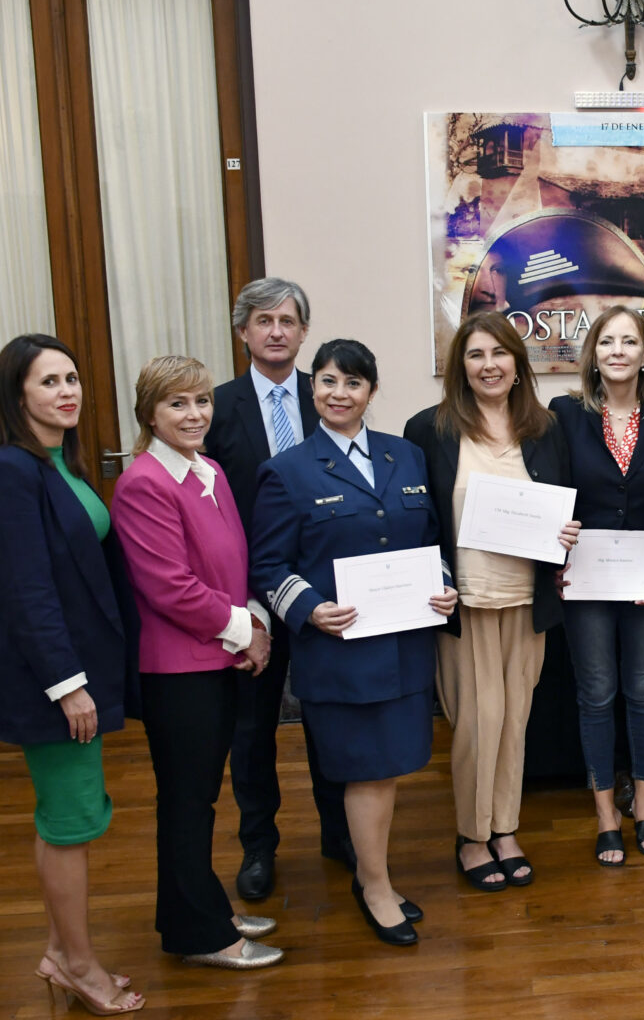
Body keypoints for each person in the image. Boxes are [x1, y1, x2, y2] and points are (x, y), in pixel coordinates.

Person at [250, 340, 455, 945]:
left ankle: (373, 874)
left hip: (403, 647)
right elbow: (267, 565)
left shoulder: (407, 456)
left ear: (371, 391)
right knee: (365, 773)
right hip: (341, 651)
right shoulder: (286, 471)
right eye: (329, 383)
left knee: (388, 771)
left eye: (354, 384)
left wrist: (443, 586)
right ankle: (375, 886)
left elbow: (430, 542)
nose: (340, 394)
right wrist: (310, 610)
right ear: (312, 391)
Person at [0, 335, 145, 1015]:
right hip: (56, 686)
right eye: (48, 382)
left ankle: (56, 952)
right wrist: (67, 685)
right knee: (71, 821)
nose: (67, 391)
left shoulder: (57, 466)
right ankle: (79, 964)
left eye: (72, 378)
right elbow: (26, 592)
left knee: (69, 818)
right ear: (18, 395)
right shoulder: (9, 474)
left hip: (78, 677)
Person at [110, 356, 282, 969]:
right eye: (177, 403)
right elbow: (169, 587)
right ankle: (201, 935)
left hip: (218, 658)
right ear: (149, 414)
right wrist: (247, 632)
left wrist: (254, 620)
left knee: (201, 798)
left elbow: (234, 564)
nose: (194, 413)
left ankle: (199, 909)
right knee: (187, 801)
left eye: (202, 400)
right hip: (179, 671)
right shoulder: (143, 483)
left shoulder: (208, 470)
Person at [404, 312, 580, 891]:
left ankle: (505, 827)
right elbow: (418, 520)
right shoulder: (429, 429)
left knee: (515, 721)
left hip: (527, 601)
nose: (489, 365)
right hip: (466, 601)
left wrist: (565, 534)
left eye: (499, 354)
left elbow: (562, 507)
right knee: (476, 724)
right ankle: (472, 835)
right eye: (476, 355)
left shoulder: (546, 428)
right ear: (461, 366)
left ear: (517, 363)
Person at [205, 277, 352, 903]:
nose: (276, 331)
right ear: (243, 332)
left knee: (328, 720)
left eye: (288, 321)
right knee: (253, 728)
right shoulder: (215, 406)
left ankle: (339, 834)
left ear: (303, 332)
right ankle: (259, 846)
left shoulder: (328, 396)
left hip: (323, 593)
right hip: (252, 597)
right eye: (263, 321)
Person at [550, 306, 644, 866]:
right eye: (608, 342)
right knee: (596, 695)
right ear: (593, 354)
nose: (619, 351)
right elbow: (549, 493)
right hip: (586, 583)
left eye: (630, 341)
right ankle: (606, 813)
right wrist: (554, 541)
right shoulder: (565, 416)